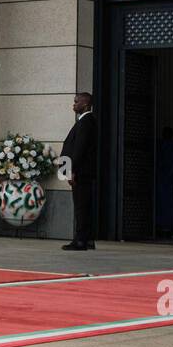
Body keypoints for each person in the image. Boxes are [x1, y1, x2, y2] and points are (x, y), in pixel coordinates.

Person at [61, 92, 97, 251]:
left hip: (81, 172)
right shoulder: (84, 121)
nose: (73, 104)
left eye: (77, 102)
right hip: (81, 171)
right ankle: (87, 239)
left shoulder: (86, 121)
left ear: (86, 104)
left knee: (81, 206)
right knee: (83, 205)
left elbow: (79, 148)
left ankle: (81, 240)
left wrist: (71, 170)